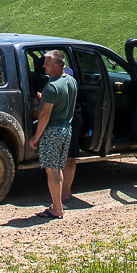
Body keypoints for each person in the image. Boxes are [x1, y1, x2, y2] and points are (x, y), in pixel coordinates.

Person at [29, 50, 79, 218]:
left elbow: (45, 114)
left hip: (52, 132)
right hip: (67, 129)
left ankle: (57, 209)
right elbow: (72, 105)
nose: (43, 66)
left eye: (47, 63)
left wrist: (36, 136)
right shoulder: (71, 81)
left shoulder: (51, 87)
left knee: (52, 171)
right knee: (58, 168)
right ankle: (58, 203)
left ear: (57, 65)